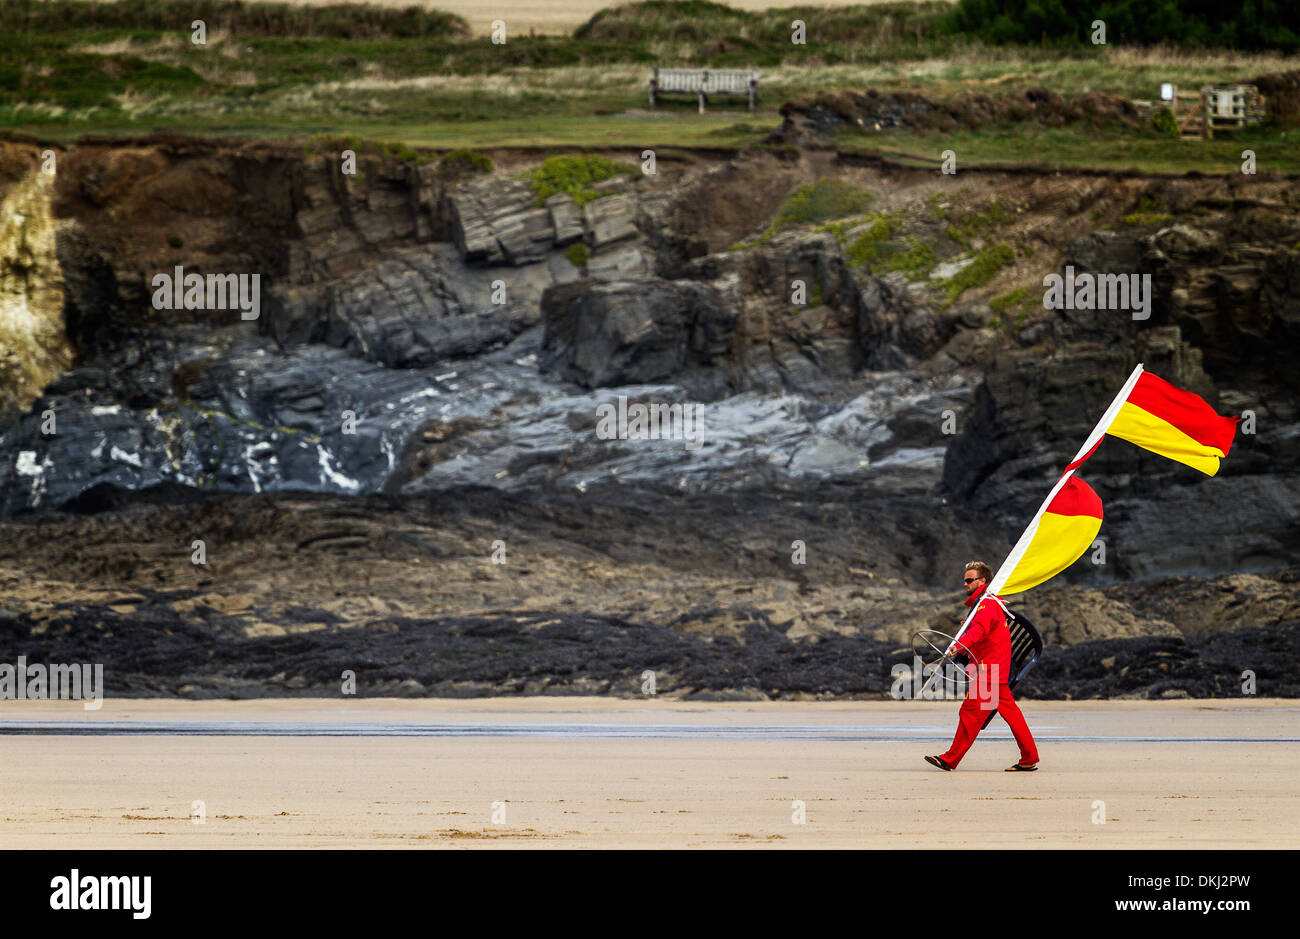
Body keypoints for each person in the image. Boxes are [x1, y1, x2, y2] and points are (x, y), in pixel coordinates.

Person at [924, 561, 1040, 772]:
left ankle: (949, 759)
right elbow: (982, 634)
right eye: (965, 580)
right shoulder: (988, 604)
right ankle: (1029, 757)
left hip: (989, 670)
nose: (965, 584)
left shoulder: (986, 605)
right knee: (1011, 714)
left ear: (983, 581)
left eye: (970, 580)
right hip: (995, 668)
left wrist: (957, 647)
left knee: (970, 712)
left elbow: (978, 632)